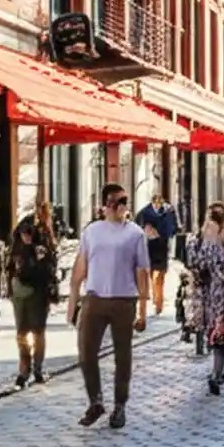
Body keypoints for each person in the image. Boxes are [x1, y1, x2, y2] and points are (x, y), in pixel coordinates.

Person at [68, 183, 150, 429]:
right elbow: (80, 266)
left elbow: (142, 272)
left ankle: (120, 405)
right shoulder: (92, 232)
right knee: (86, 352)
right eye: (116, 201)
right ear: (104, 205)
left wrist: (143, 311)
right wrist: (73, 301)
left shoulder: (135, 233)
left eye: (125, 201)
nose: (121, 207)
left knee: (122, 356)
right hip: (94, 298)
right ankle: (96, 401)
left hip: (124, 300)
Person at [8, 201, 59, 389]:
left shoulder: (43, 241)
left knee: (37, 331)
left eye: (28, 233)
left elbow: (49, 267)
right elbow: (10, 267)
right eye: (23, 233)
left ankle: (36, 368)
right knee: (22, 332)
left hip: (37, 292)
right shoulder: (17, 245)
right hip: (21, 294)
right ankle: (25, 368)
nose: (26, 236)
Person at [187, 202, 224, 395]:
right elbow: (195, 263)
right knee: (214, 334)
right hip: (208, 296)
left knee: (218, 335)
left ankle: (217, 373)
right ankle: (218, 371)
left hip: (217, 295)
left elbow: (200, 262)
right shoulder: (197, 239)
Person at [136, 194, 178, 316]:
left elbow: (173, 227)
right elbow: (138, 224)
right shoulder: (145, 212)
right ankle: (156, 299)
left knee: (158, 277)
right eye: (156, 203)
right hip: (149, 247)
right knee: (151, 275)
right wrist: (146, 230)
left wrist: (165, 235)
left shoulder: (167, 212)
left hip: (162, 246)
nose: (158, 205)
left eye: (160, 203)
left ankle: (158, 303)